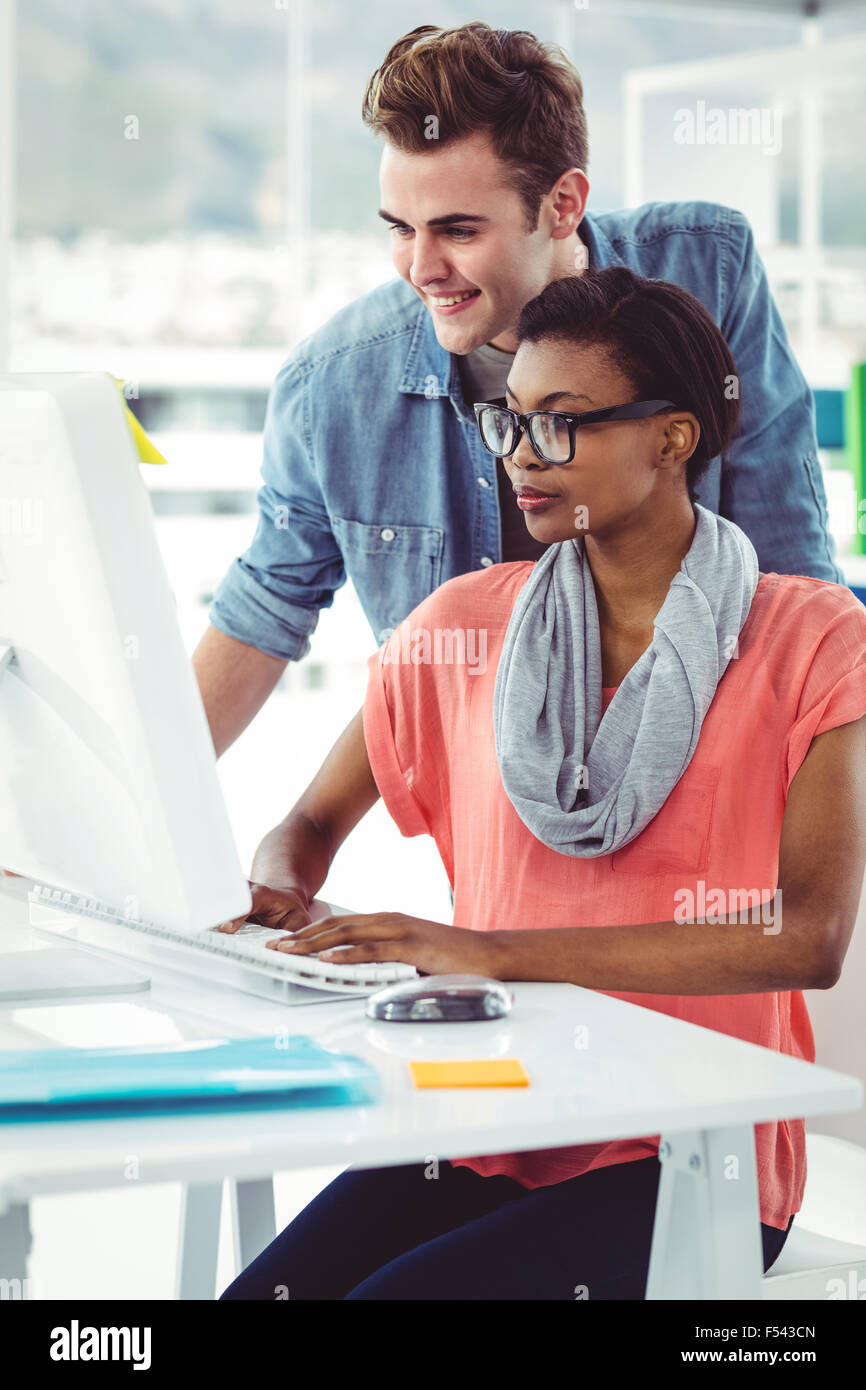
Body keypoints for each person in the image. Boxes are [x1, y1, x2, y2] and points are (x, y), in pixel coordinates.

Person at [217, 267, 866, 1300]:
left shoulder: (812, 638)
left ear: (671, 437)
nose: (522, 455)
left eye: (562, 424)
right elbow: (304, 825)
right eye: (509, 420)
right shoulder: (462, 626)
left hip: (695, 1155)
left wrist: (484, 955)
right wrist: (284, 895)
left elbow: (805, 935)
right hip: (492, 1117)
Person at [193, 21, 844, 759]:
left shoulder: (707, 272)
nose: (421, 268)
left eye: (459, 231)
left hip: (720, 799)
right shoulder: (331, 387)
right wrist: (127, 810)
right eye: (400, 228)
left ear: (562, 204)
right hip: (494, 841)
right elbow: (265, 609)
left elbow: (793, 582)